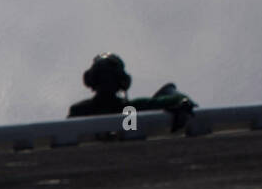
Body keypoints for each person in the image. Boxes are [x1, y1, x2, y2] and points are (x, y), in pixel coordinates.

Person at [68, 53, 196, 131]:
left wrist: (182, 102)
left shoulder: (79, 111)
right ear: (123, 82)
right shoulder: (133, 109)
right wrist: (184, 103)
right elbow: (177, 97)